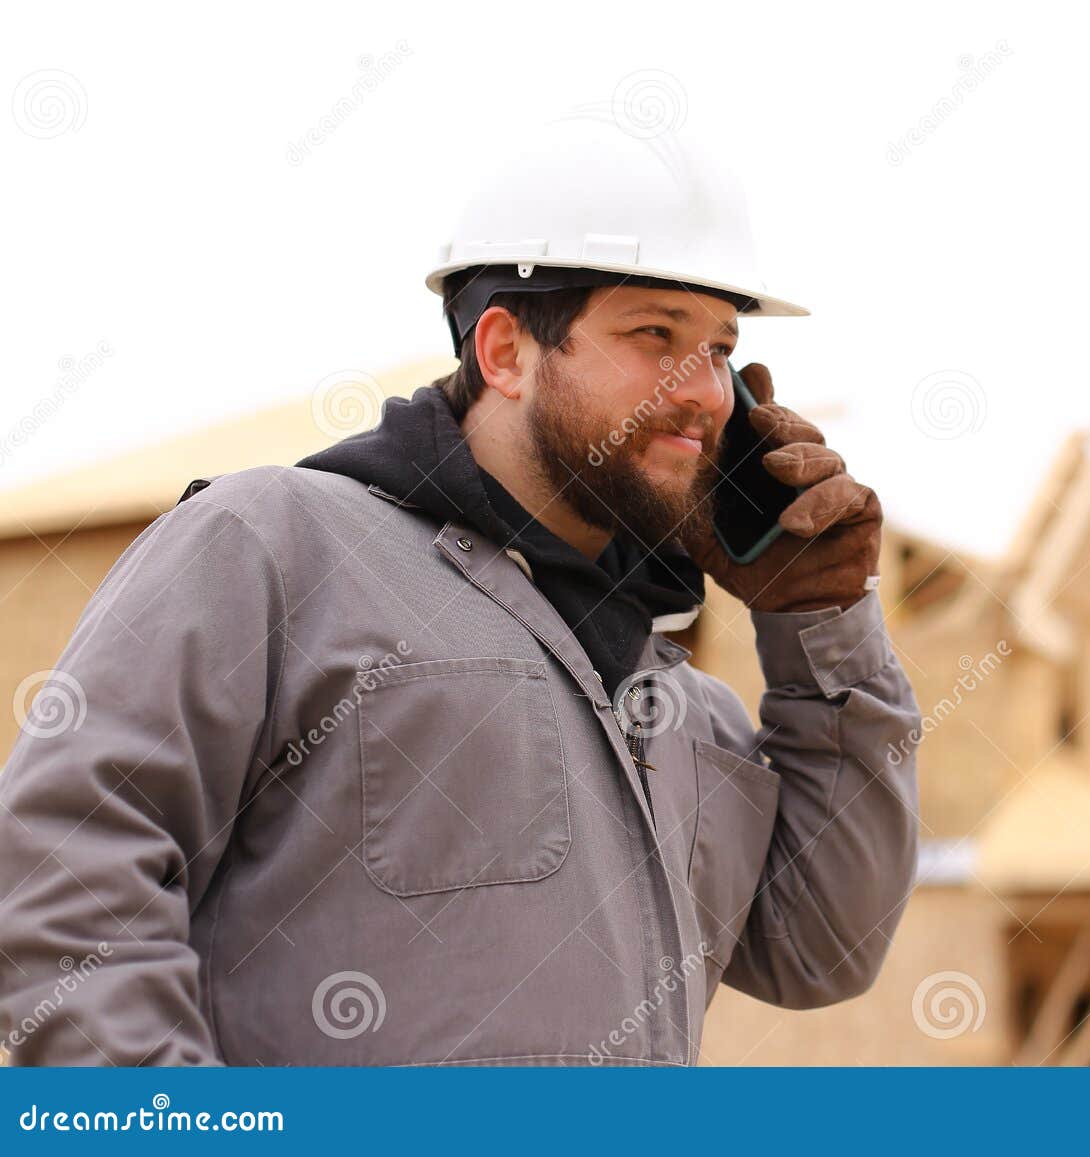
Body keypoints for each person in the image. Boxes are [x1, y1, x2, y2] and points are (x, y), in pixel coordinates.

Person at [0, 121, 921, 1066]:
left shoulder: (674, 701)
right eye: (656, 335)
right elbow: (61, 873)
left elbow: (825, 947)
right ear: (505, 351)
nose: (708, 392)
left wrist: (823, 626)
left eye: (721, 349)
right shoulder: (276, 544)